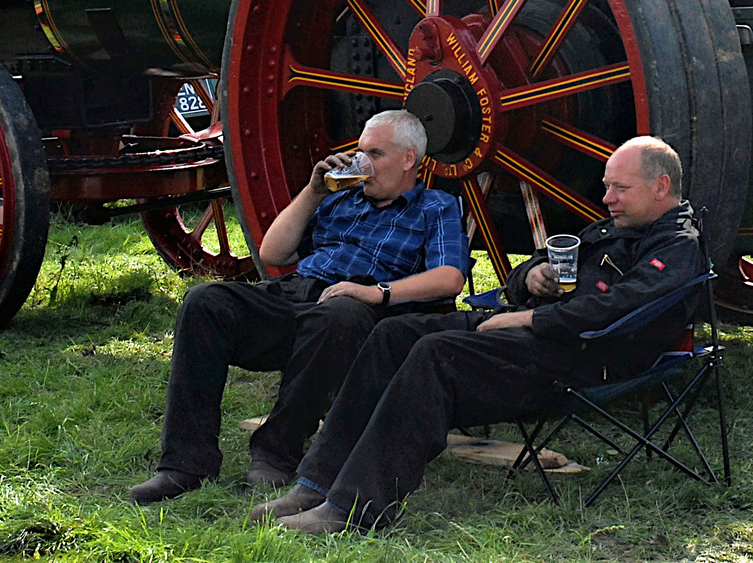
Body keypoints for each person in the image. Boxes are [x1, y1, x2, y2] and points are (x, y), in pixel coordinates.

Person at [252, 135, 705, 533]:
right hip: (539, 330)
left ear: (660, 187)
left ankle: (354, 508)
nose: (607, 197)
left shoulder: (676, 246)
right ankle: (316, 484)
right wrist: (531, 279)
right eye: (607, 186)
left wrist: (529, 319)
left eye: (619, 188)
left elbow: (620, 308)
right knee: (395, 333)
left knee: (437, 352)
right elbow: (529, 268)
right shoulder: (616, 227)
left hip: (586, 355)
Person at [129, 109, 468, 505]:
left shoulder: (434, 207)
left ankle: (276, 452)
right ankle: (184, 464)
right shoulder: (343, 200)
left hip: (361, 308)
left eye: (375, 154)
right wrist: (313, 192)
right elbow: (273, 251)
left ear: (409, 159)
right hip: (297, 293)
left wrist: (379, 293)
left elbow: (450, 277)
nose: (363, 164)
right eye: (360, 153)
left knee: (339, 315)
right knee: (205, 301)